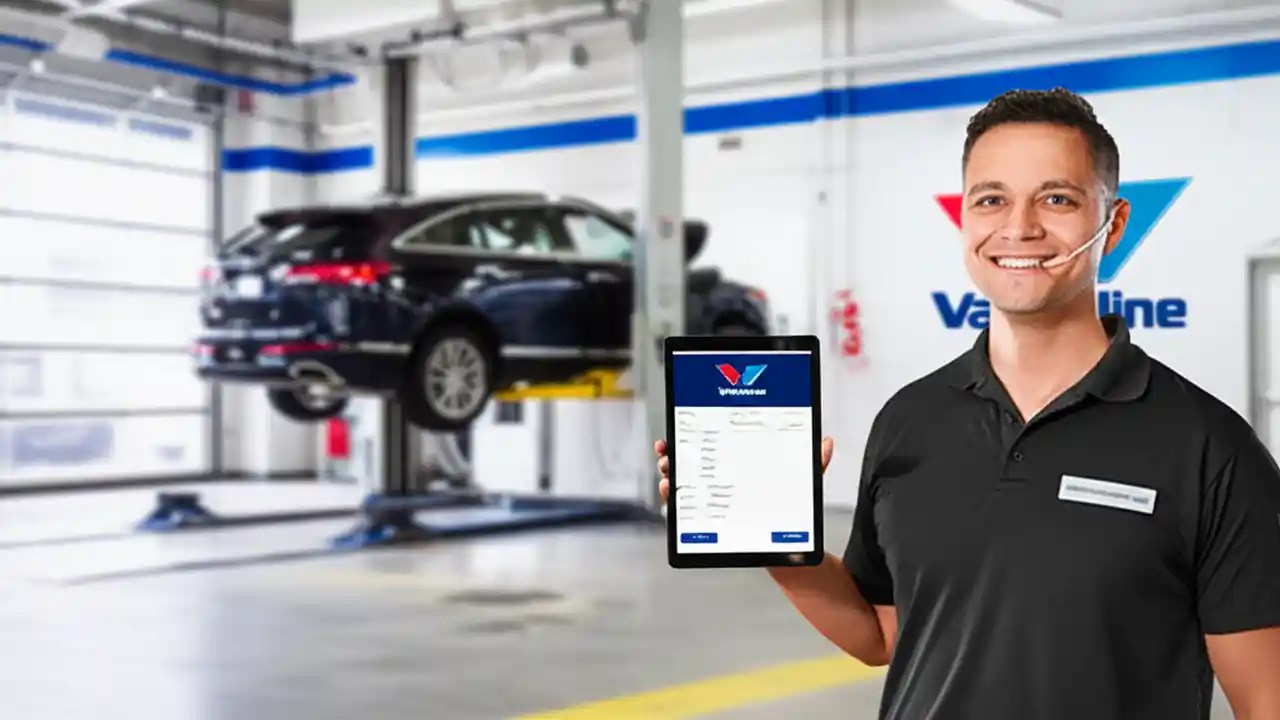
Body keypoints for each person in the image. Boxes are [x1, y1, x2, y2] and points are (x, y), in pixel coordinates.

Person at [654, 87, 1280, 720]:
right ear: (966, 219)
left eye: (1057, 199)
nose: (1020, 227)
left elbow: (1266, 701)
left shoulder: (1210, 449)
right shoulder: (910, 420)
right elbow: (884, 634)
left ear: (1112, 223)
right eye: (991, 199)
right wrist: (771, 536)